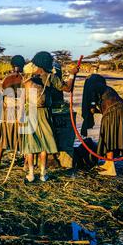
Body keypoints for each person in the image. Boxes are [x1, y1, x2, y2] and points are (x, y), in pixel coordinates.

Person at [21, 52, 79, 183]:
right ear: (47, 63)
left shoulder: (27, 76)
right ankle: (43, 174)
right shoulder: (51, 77)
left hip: (29, 112)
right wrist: (72, 74)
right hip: (44, 113)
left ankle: (30, 174)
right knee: (44, 144)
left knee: (30, 144)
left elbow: (22, 96)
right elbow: (68, 88)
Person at [81, 74, 123, 176]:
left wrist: (90, 109)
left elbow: (92, 107)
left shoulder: (93, 87)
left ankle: (111, 169)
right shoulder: (107, 88)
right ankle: (108, 163)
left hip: (113, 112)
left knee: (109, 138)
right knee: (114, 137)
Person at [0, 55, 25, 169]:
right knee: (23, 136)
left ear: (12, 65)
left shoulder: (6, 78)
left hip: (7, 111)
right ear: (22, 65)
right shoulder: (24, 79)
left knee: (3, 135)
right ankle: (26, 164)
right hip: (20, 110)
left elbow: (1, 93)